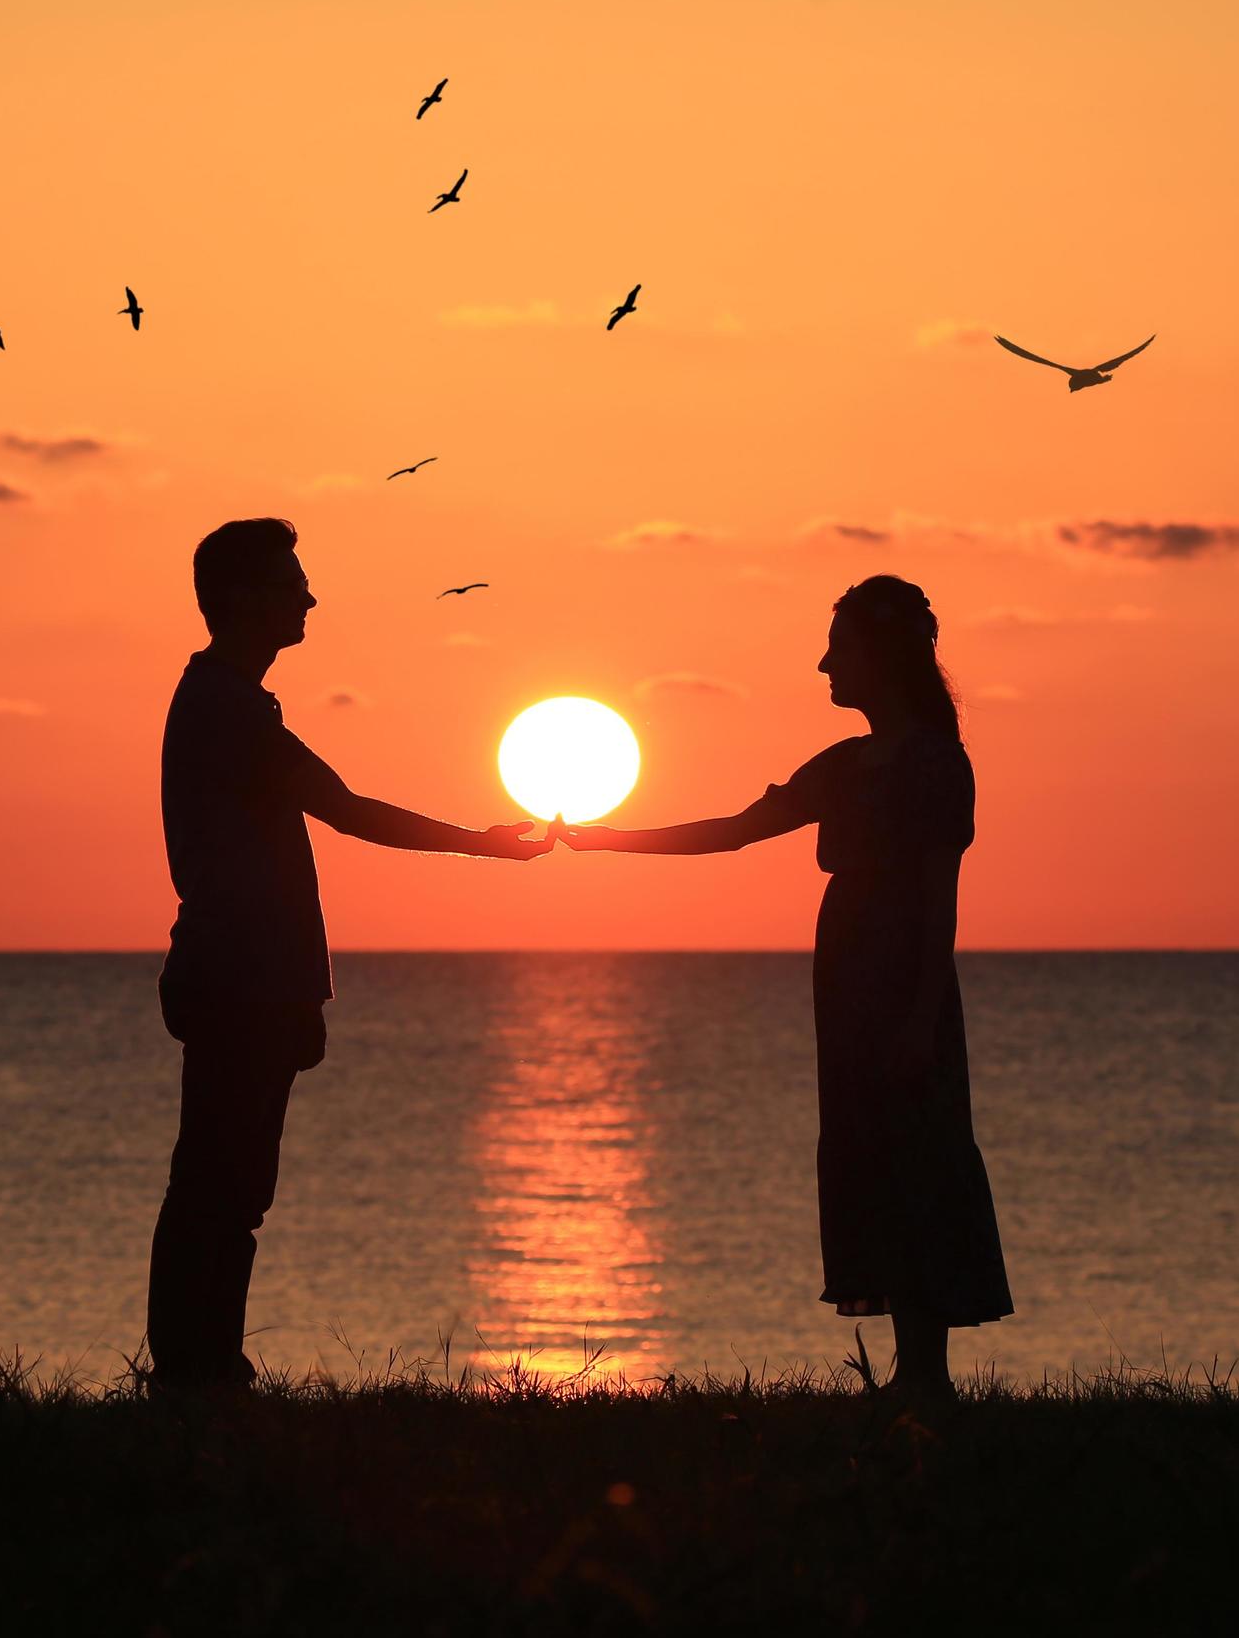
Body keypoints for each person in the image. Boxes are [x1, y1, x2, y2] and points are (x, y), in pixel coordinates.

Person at [560, 575, 1011, 1393]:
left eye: (838, 648)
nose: (822, 665)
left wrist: (920, 1015)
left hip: (904, 975)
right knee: (867, 1146)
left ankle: (927, 1373)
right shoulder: (845, 764)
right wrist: (604, 839)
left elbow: (940, 897)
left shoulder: (934, 763)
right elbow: (736, 832)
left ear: (880, 655)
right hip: (843, 975)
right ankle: (915, 1373)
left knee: (922, 1150)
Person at [149, 518, 548, 1392]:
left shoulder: (221, 701)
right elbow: (347, 808)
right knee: (224, 1187)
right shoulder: (231, 710)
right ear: (248, 599)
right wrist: (486, 845)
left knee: (222, 1185)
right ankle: (197, 1375)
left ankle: (199, 1370)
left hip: (240, 973)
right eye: (293, 581)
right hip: (240, 977)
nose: (309, 596)